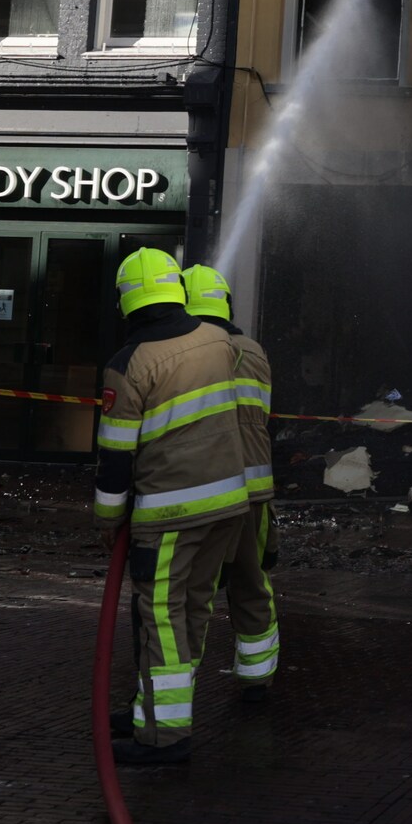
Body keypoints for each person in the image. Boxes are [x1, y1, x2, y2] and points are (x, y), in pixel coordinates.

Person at [95, 246, 251, 766]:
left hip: (168, 515)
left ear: (128, 299)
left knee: (159, 615)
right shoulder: (219, 341)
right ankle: (155, 713)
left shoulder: (129, 364)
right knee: (195, 610)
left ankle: (166, 735)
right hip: (229, 503)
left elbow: (115, 457)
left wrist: (107, 518)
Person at [181, 263, 279, 703]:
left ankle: (174, 689)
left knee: (190, 593)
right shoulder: (253, 351)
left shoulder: (189, 352)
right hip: (255, 492)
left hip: (207, 490)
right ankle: (256, 679)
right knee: (251, 584)